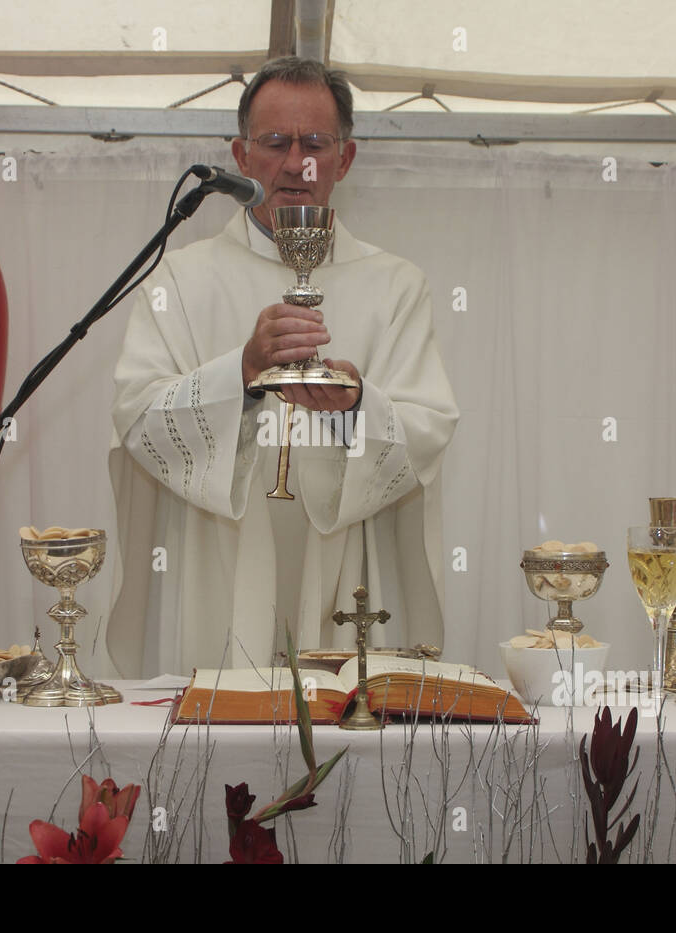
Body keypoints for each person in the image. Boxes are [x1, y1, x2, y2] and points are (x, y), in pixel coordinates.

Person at [107, 56, 458, 677]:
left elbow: (427, 427)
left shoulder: (394, 284)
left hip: (347, 561)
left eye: (317, 143)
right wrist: (239, 372)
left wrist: (357, 406)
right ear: (241, 158)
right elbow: (137, 417)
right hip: (221, 563)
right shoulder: (182, 280)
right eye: (275, 143)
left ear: (345, 160)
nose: (298, 163)